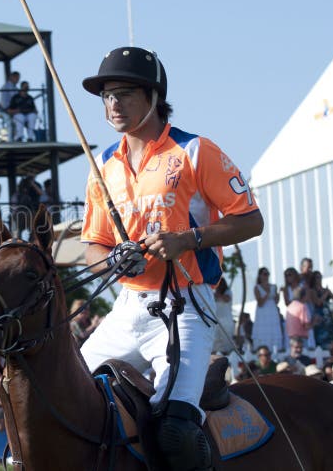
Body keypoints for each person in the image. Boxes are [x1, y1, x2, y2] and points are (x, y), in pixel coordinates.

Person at [79, 46, 263, 468]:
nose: (113, 104)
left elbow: (251, 221)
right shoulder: (102, 165)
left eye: (124, 93)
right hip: (126, 310)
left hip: (186, 306)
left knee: (175, 431)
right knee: (58, 399)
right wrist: (112, 261)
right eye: (106, 95)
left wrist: (188, 239)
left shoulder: (196, 151)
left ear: (154, 97)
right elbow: (93, 245)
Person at [212, 278, 235, 354]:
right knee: (216, 340)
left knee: (227, 339)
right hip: (216, 319)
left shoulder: (228, 292)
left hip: (226, 320)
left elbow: (226, 299)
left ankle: (228, 354)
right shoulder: (214, 293)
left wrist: (218, 295)